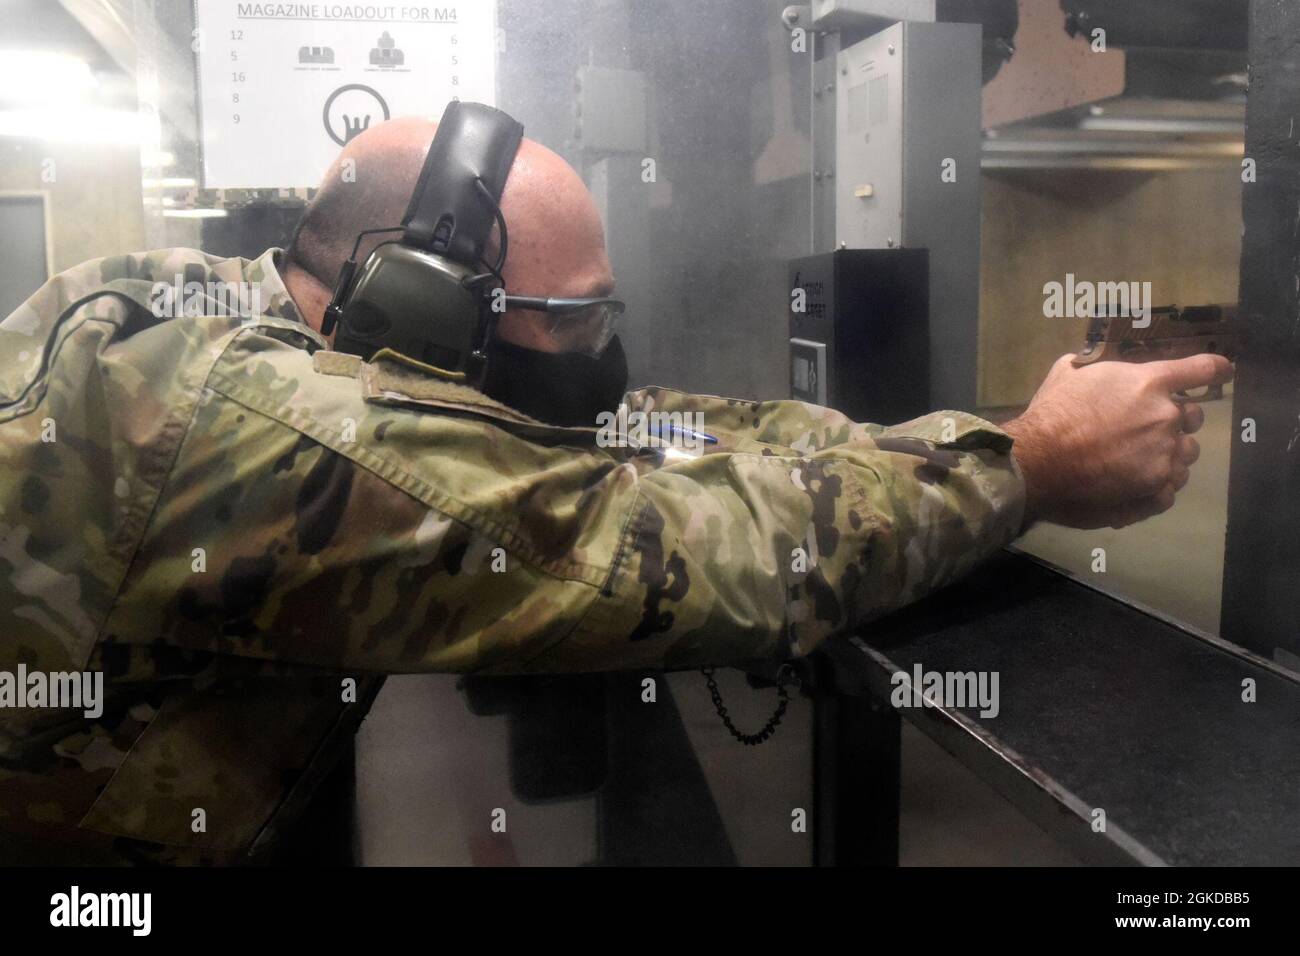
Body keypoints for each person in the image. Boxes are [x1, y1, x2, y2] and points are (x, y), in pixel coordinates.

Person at [0, 115, 1230, 864]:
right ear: (425, 305)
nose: (601, 345)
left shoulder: (225, 310)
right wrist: (1036, 469)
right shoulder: (265, 434)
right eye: (575, 316)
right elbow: (687, 553)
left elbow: (628, 437)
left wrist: (979, 435)